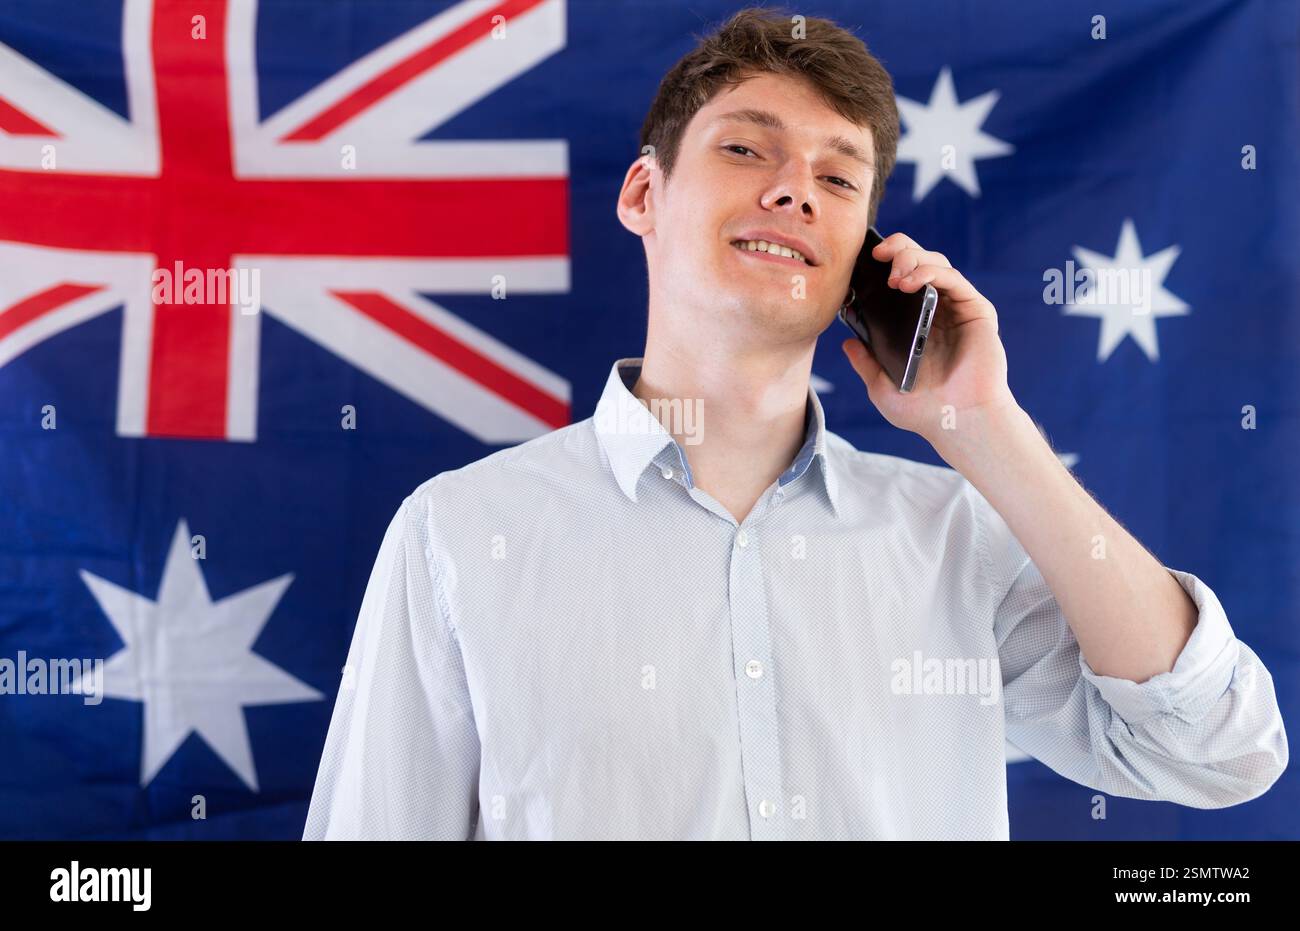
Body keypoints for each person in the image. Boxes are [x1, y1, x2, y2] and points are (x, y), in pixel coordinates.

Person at [302, 7, 1287, 840]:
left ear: (863, 249)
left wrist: (984, 426)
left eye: (838, 178)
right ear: (644, 193)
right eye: (745, 149)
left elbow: (1218, 749)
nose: (793, 190)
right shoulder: (460, 533)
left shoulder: (955, 539)